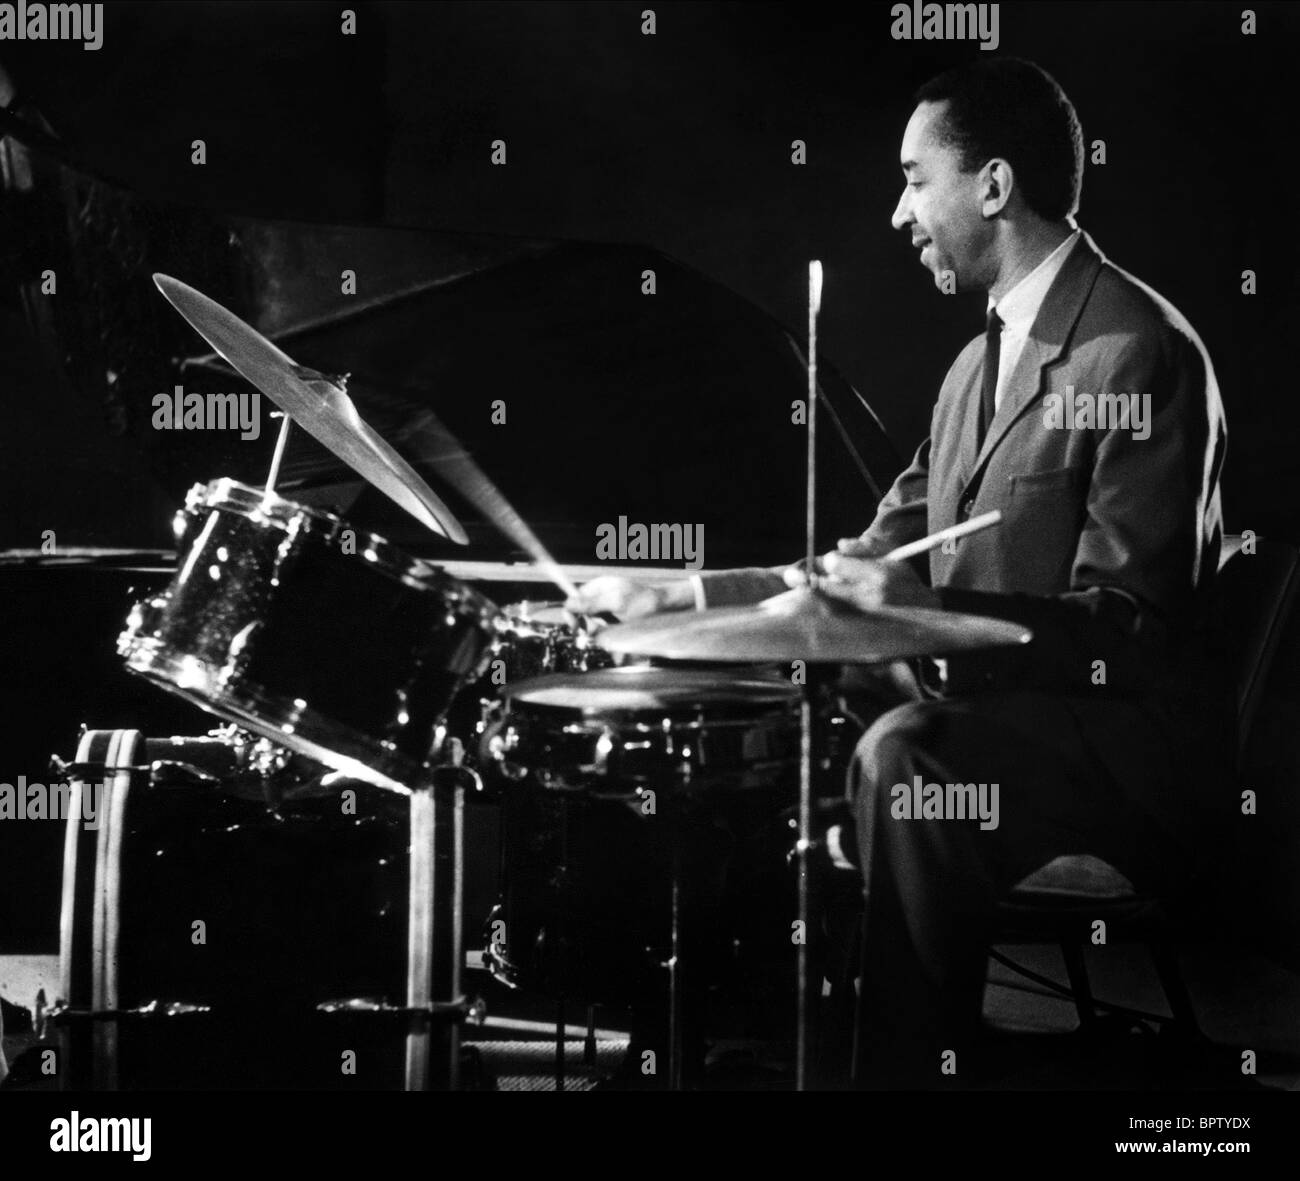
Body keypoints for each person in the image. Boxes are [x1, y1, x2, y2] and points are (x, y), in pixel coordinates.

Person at [569, 57, 1230, 1087]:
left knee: (910, 754)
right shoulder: (976, 365)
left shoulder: (1133, 349)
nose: (896, 212)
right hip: (1007, 720)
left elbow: (1130, 627)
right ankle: (791, 1044)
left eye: (915, 179)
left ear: (994, 187)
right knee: (813, 722)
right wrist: (682, 595)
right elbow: (863, 563)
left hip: (1117, 754)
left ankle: (904, 1065)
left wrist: (930, 612)